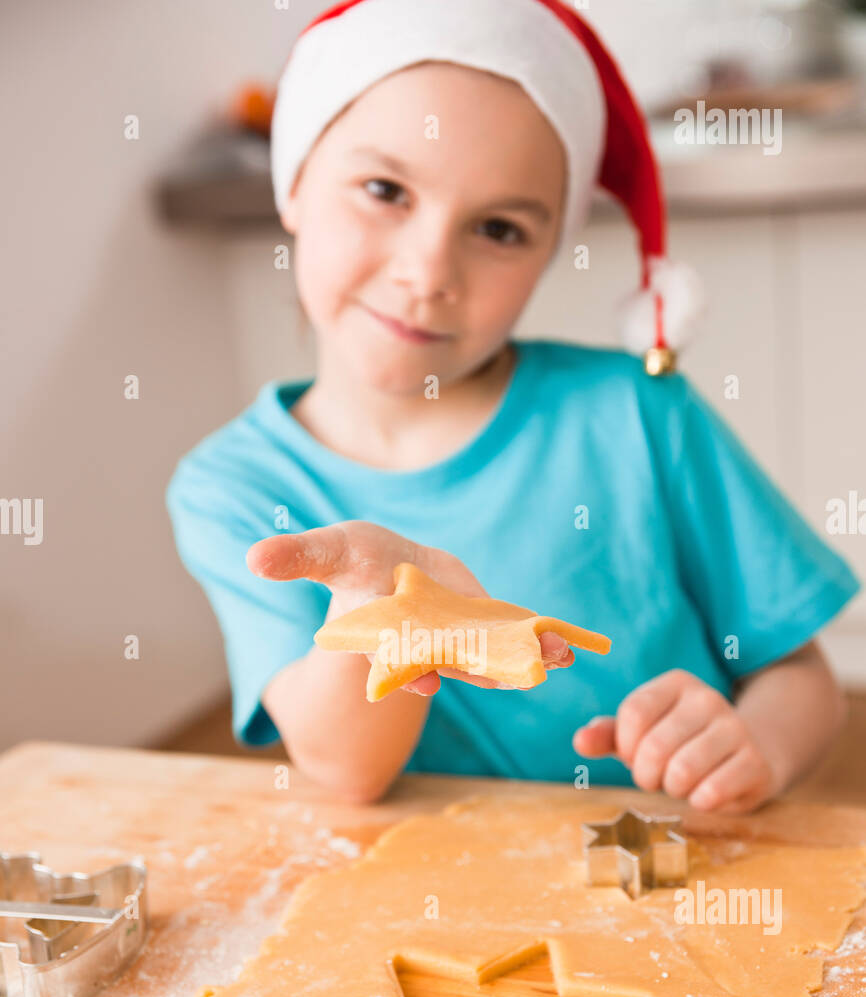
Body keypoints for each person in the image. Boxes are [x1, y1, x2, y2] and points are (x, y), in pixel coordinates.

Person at [166, 0, 859, 812]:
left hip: (677, 866)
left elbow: (801, 677)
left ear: (545, 258)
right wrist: (381, 612)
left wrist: (756, 750)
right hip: (442, 906)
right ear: (293, 184)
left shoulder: (636, 412)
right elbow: (345, 772)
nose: (428, 273)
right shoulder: (234, 487)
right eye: (385, 189)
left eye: (497, 229)